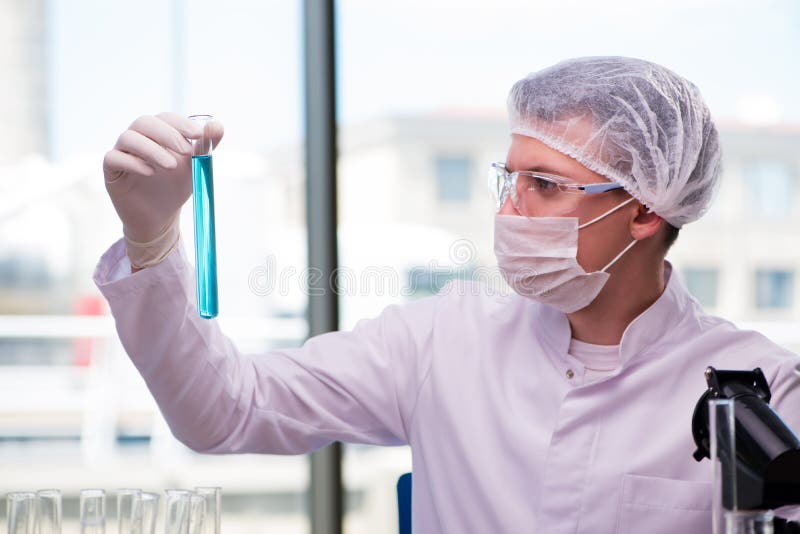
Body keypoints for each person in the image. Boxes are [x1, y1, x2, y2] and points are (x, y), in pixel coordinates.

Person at [94, 56, 800, 533]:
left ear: (644, 211)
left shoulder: (763, 389)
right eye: (508, 179)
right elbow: (224, 412)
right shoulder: (440, 341)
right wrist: (150, 237)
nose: (509, 209)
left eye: (545, 185)